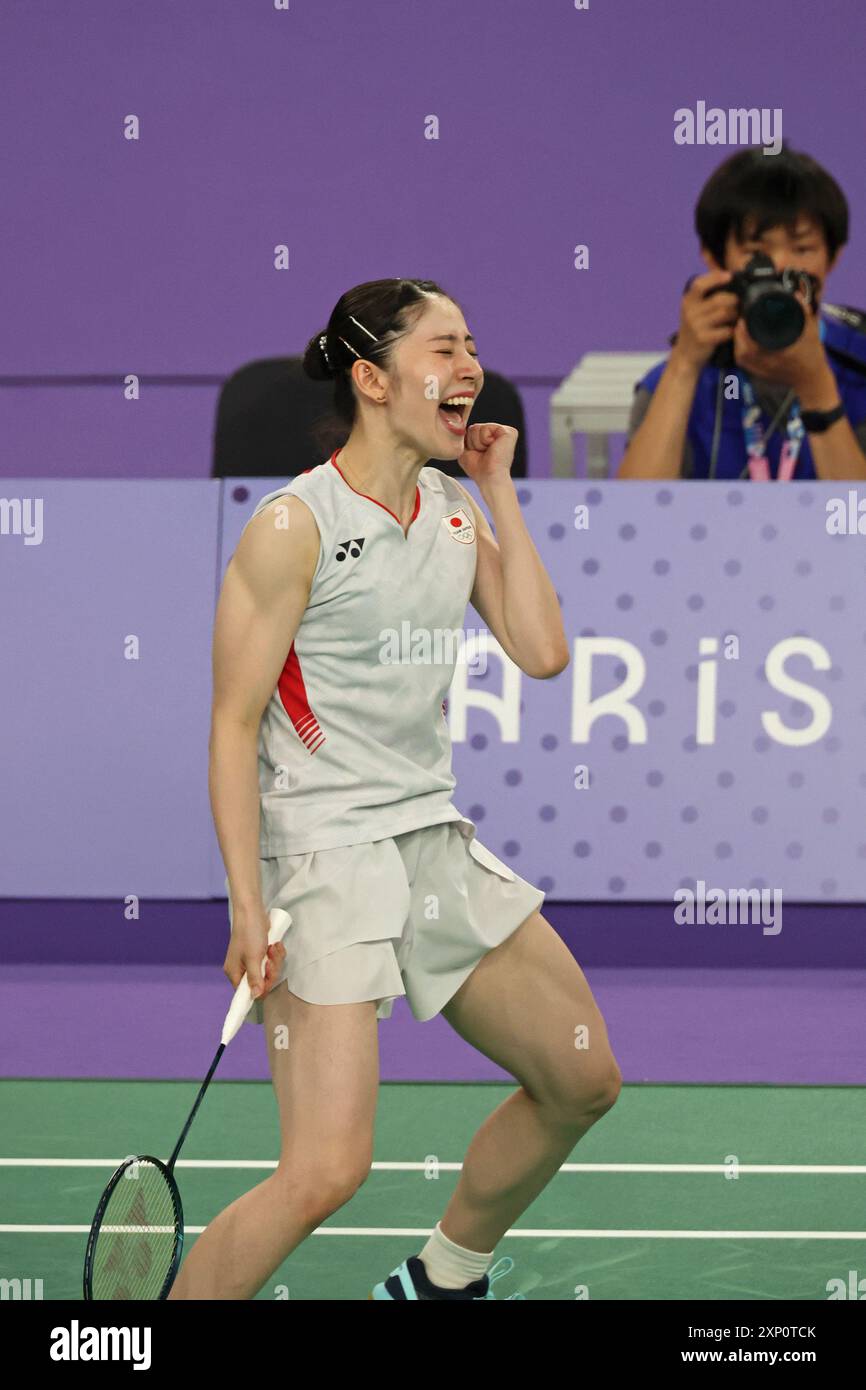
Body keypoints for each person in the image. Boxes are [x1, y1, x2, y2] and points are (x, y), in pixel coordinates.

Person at [169, 278, 622, 1301]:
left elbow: (543, 651)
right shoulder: (293, 525)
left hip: (430, 840)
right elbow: (232, 725)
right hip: (324, 857)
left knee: (579, 1078)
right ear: (372, 380)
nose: (469, 369)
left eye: (472, 347)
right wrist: (247, 903)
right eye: (443, 348)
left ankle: (442, 1279)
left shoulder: (453, 511)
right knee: (324, 1170)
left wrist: (498, 488)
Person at [618, 146, 866, 480]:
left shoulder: (858, 369)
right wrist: (684, 365)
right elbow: (636, 507)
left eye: (802, 248)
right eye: (756, 252)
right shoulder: (676, 379)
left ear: (833, 257)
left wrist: (817, 389)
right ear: (714, 258)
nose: (781, 267)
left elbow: (857, 514)